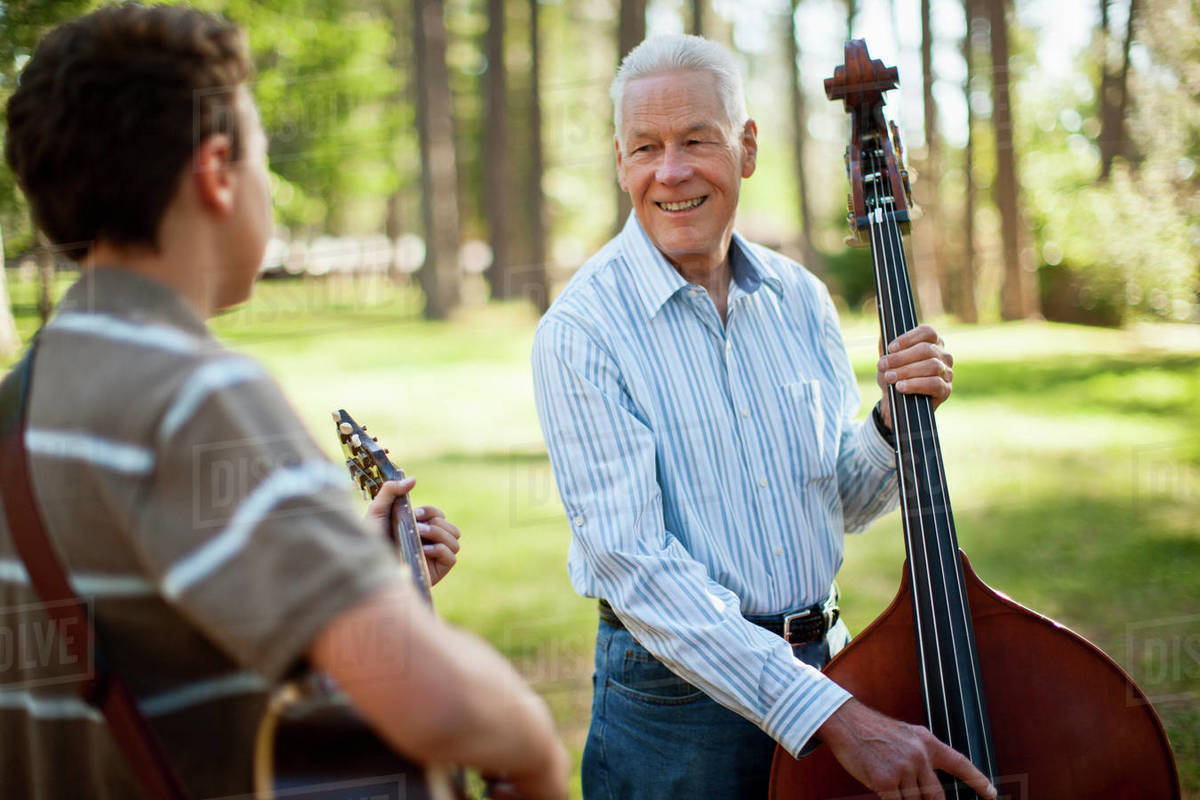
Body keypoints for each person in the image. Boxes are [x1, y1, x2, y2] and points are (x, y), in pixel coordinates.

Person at [0, 5, 567, 798]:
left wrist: (338, 567)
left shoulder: (22, 406)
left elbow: (128, 646)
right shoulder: (192, 392)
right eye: (263, 152)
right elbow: (433, 702)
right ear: (218, 168)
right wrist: (538, 751)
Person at [532, 34, 996, 800]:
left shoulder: (800, 298)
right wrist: (835, 717)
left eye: (696, 140)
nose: (670, 171)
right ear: (621, 162)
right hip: (676, 709)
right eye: (646, 147)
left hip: (829, 661)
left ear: (745, 148)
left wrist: (891, 422)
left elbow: (833, 498)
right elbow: (637, 568)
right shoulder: (582, 332)